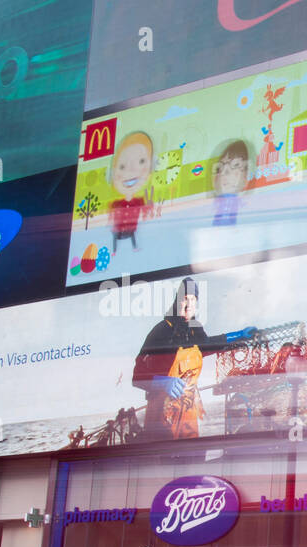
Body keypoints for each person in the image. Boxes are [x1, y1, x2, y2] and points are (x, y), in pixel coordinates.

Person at [132, 277, 257, 440]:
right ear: (178, 301)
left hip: (188, 412)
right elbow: (137, 377)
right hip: (161, 415)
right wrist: (162, 382)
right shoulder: (161, 331)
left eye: (193, 299)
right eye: (185, 299)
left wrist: (239, 335)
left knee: (192, 453)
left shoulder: (194, 330)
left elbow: (208, 345)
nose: (189, 304)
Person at [108, 131, 153, 253]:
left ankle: (133, 247)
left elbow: (147, 212)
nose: (131, 171)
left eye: (141, 161)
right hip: (118, 230)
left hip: (131, 229)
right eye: (122, 167)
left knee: (131, 235)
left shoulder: (139, 201)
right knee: (116, 237)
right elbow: (111, 215)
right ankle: (114, 251)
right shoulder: (116, 204)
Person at [211, 139, 250, 227]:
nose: (225, 172)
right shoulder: (211, 207)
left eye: (235, 165)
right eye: (220, 168)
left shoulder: (246, 209)